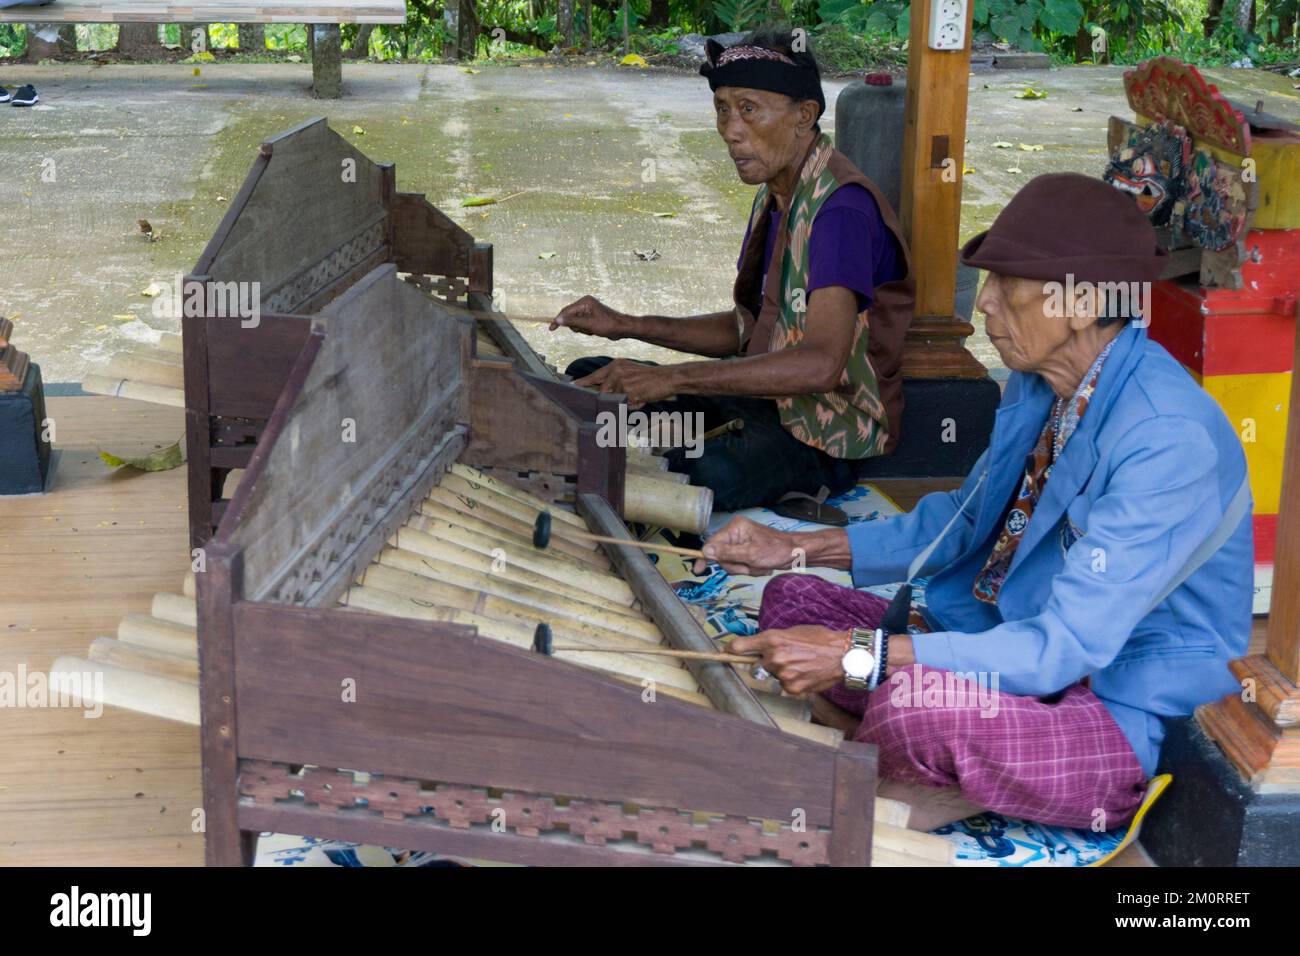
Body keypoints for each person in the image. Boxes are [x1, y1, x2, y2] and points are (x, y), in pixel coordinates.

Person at [699, 173, 1253, 831]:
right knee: (792, 606)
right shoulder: (1039, 382)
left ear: (1077, 303)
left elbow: (1065, 646)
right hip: (1001, 639)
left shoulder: (1168, 438)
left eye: (1004, 286)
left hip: (1111, 703)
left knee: (909, 704)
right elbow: (964, 520)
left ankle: (923, 770)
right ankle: (927, 773)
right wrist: (795, 546)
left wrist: (861, 655)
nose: (982, 304)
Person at [551, 29, 913, 513]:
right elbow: (748, 328)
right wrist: (624, 326)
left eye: (748, 108)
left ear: (804, 115)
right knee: (597, 381)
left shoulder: (840, 210)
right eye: (722, 107)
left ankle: (676, 454)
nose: (730, 129)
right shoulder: (778, 193)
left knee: (702, 471)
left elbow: (822, 363)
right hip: (758, 398)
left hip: (824, 433)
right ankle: (661, 444)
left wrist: (674, 379)